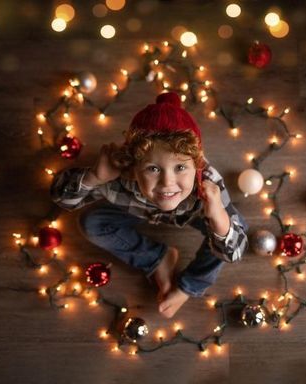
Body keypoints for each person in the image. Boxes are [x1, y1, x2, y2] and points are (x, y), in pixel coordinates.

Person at [50, 92, 248, 318]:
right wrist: (94, 177)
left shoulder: (209, 184)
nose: (167, 183)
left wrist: (218, 217)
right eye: (153, 169)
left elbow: (235, 253)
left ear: (198, 165)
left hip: (192, 215)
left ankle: (188, 286)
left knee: (228, 230)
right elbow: (62, 198)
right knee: (91, 223)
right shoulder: (119, 176)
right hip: (138, 209)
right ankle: (156, 258)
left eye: (180, 168)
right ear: (134, 168)